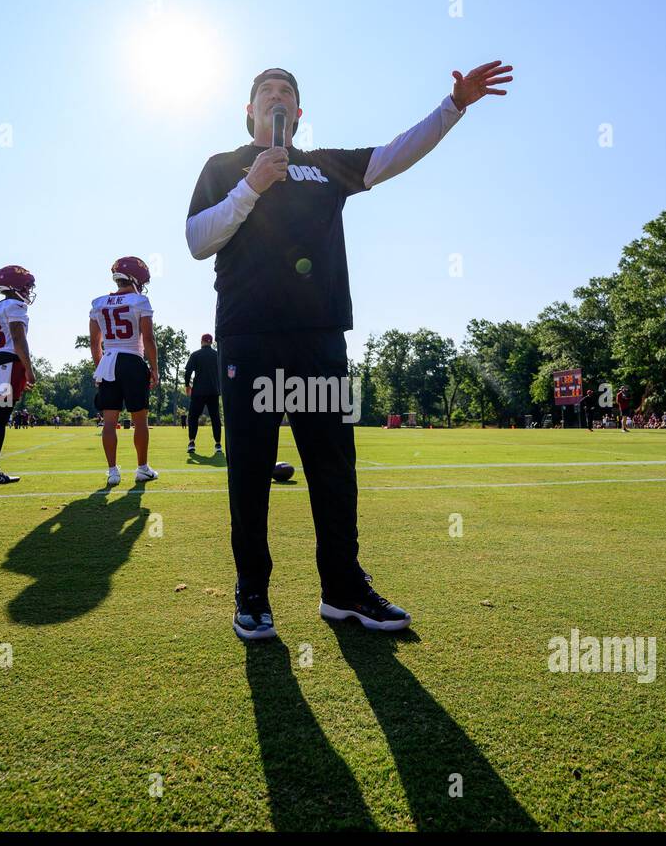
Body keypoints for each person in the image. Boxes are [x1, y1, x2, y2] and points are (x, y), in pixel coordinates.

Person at [186, 61, 511, 640]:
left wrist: (453, 106)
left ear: (299, 112)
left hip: (320, 339)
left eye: (287, 91)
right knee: (252, 468)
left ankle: (341, 589)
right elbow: (196, 241)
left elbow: (395, 153)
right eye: (267, 91)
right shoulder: (223, 166)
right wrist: (251, 186)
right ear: (250, 110)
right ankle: (253, 591)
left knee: (334, 468)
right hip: (250, 337)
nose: (277, 97)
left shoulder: (323, 165)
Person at [90, 256, 159, 486]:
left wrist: (99, 368)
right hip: (132, 361)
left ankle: (112, 472)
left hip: (108, 361)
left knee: (109, 421)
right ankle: (142, 468)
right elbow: (148, 339)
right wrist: (155, 369)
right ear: (135, 279)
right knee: (140, 420)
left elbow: (94, 342)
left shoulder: (98, 303)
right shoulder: (140, 301)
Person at [0, 265, 37, 484]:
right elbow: (19, 340)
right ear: (14, 286)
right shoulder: (15, 306)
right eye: (26, 286)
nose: (28, 291)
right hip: (6, 364)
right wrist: (28, 369)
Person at [184, 333, 222, 455]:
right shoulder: (217, 355)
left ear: (202, 341)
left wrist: (187, 385)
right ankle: (218, 444)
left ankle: (191, 442)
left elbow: (188, 372)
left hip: (199, 391)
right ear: (211, 342)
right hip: (213, 390)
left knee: (193, 417)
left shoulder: (196, 355)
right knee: (215, 418)